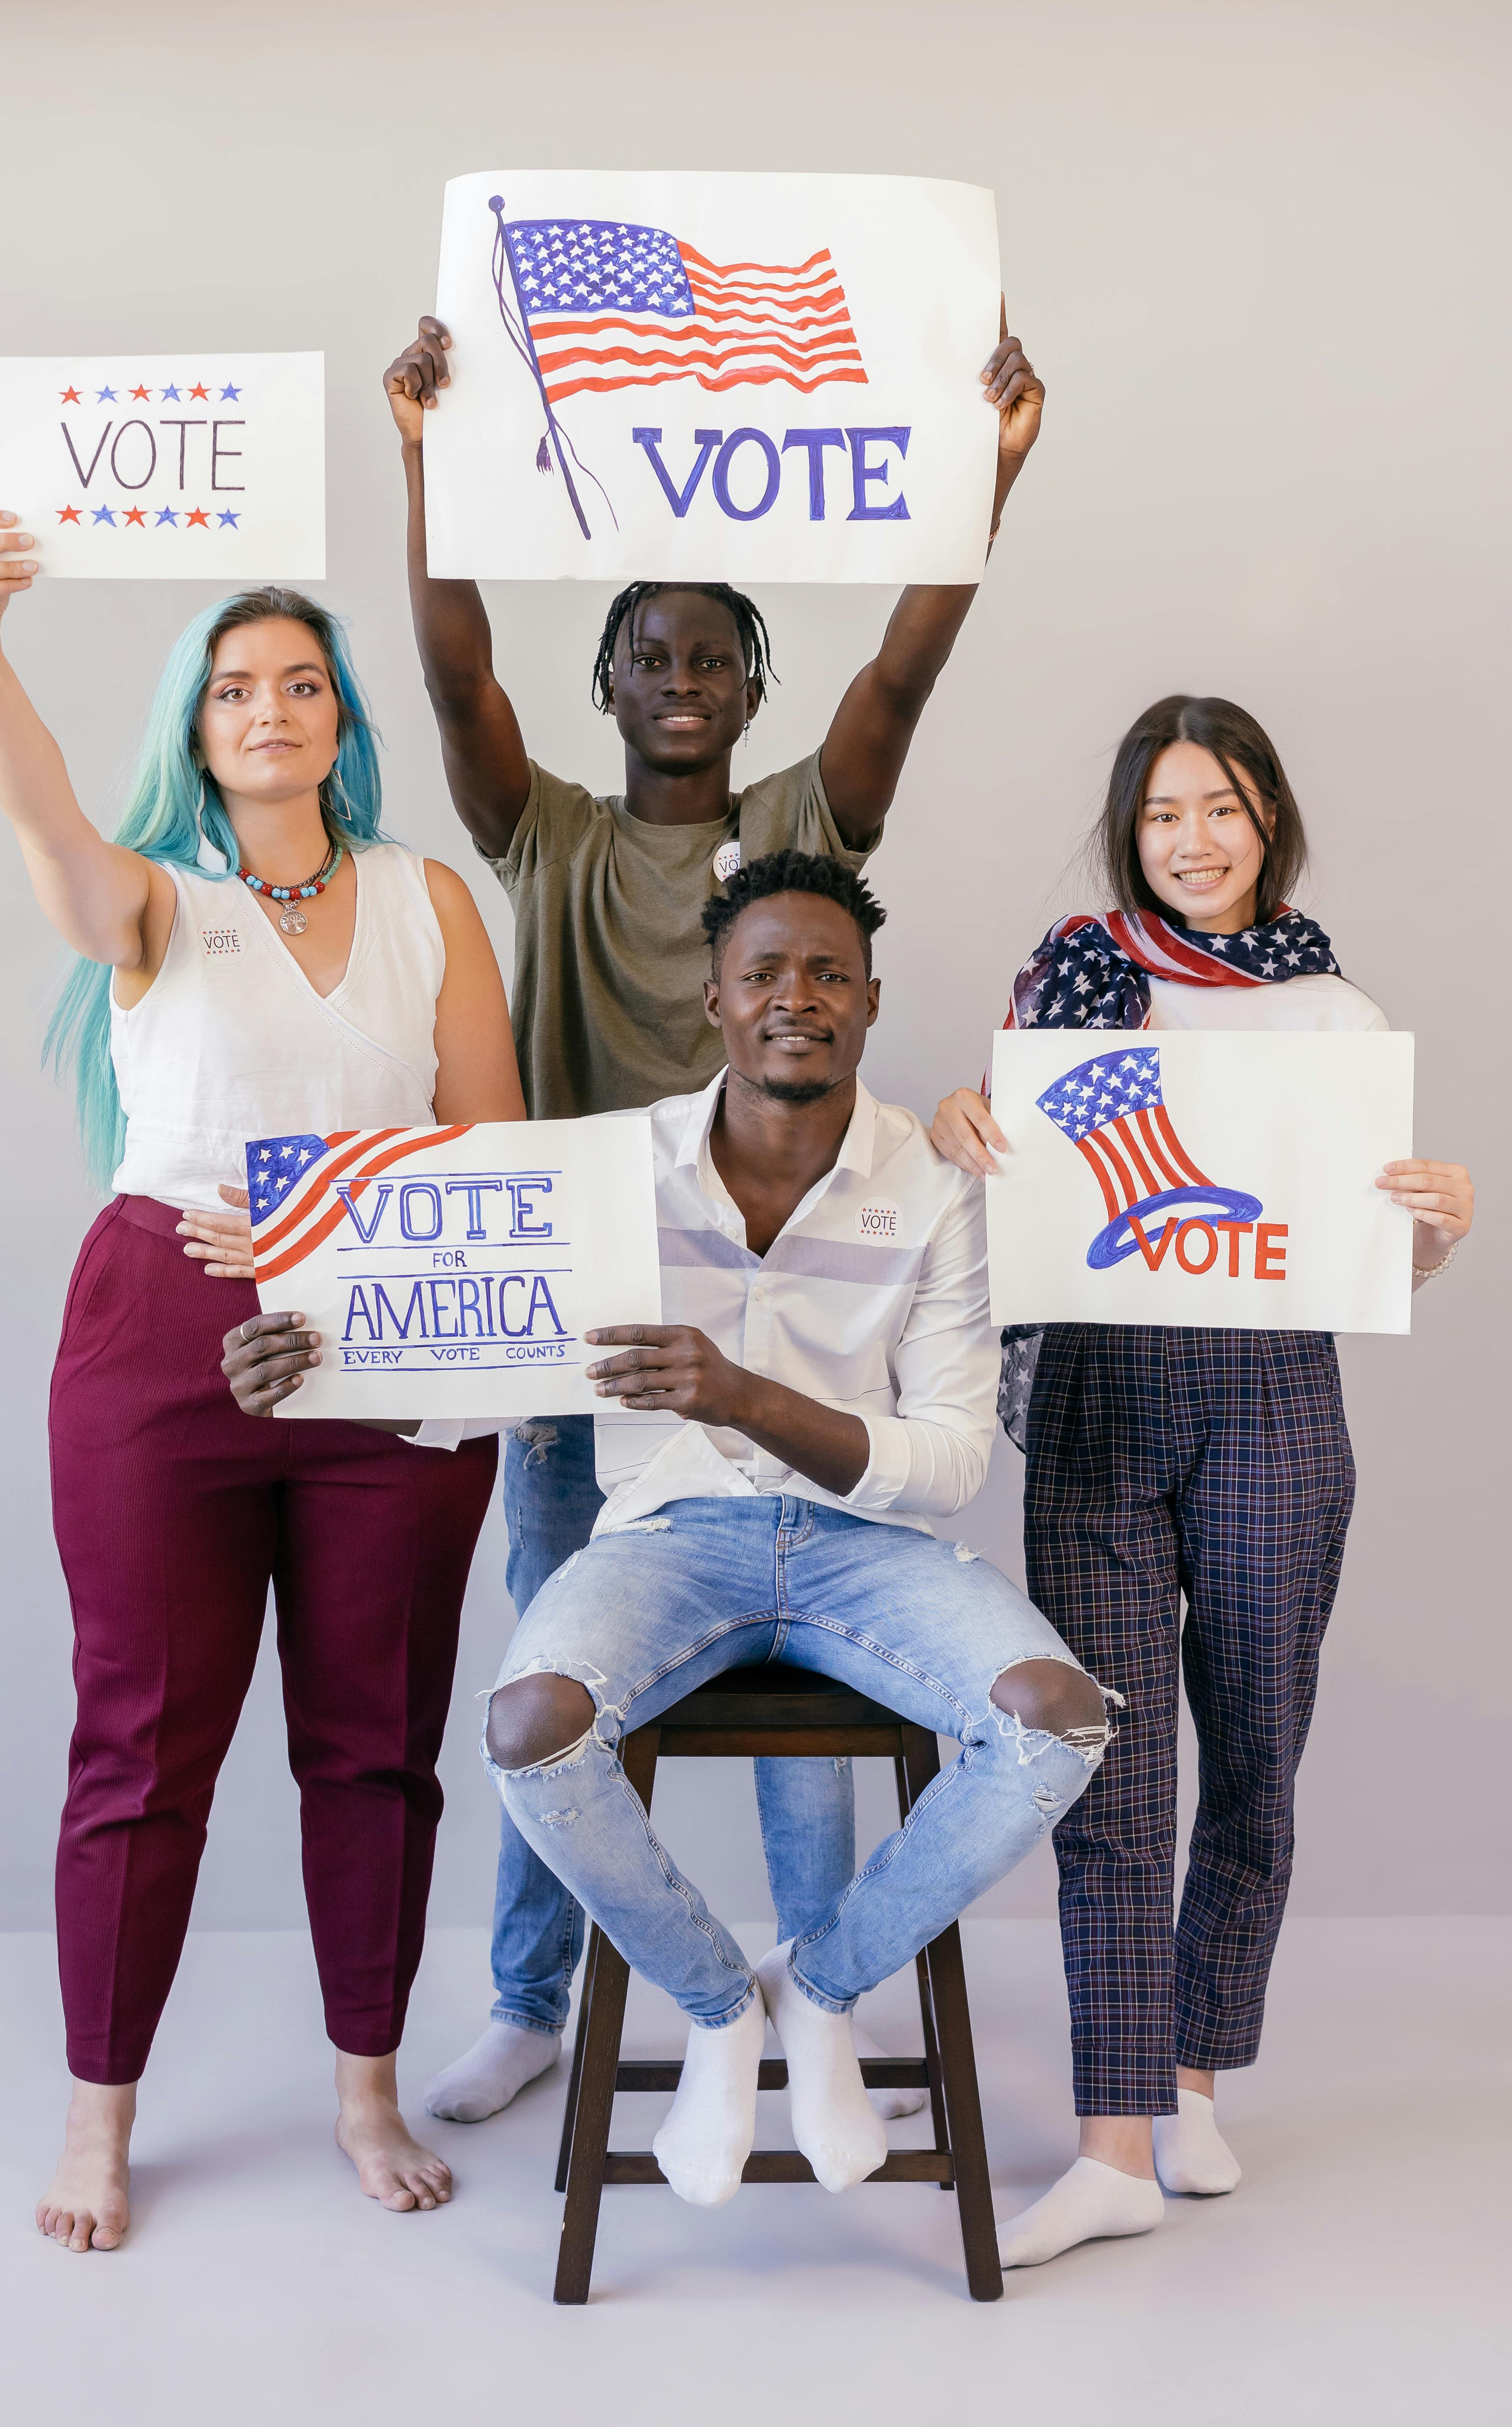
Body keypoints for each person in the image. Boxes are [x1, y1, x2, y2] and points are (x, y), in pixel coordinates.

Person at [380, 304, 1049, 2125]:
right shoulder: (557, 836)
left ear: (750, 689)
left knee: (802, 1600)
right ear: (613, 687)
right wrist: (429, 451)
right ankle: (532, 1996)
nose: (682, 676)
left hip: (786, 1287)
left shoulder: (786, 830)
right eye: (650, 656)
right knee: (558, 1636)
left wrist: (986, 471)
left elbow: (900, 688)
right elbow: (453, 682)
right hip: (585, 1314)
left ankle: (819, 1994)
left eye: (714, 657)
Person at [225, 852, 1113, 2206]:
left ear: (872, 1001)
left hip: (861, 1546)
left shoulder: (936, 1190)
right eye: (764, 972)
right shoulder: (610, 1174)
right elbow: (481, 1363)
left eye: (827, 973)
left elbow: (948, 1458)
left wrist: (747, 1395)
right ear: (714, 999)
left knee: (1060, 1715)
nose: (795, 997)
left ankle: (820, 1984)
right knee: (527, 1725)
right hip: (665, 1541)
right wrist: (321, 1362)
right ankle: (717, 2004)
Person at [0, 515, 524, 2253]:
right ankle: (99, 2120)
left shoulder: (430, 900)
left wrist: (347, 1248)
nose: (271, 708)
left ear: (345, 721)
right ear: (196, 727)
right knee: (143, 1742)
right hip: (163, 1336)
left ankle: (367, 2091)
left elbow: (488, 1142)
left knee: (376, 1747)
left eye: (304, 685)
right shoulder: (151, 898)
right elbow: (43, 820)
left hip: (392, 1340)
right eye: (236, 688)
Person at [929, 694, 1476, 2267]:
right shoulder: (1070, 986)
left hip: (1272, 1401)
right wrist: (970, 1119)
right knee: (1106, 1760)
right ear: (1132, 828)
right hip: (1104, 1391)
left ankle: (1190, 2076)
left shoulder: (1335, 1018)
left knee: (1255, 1751)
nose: (1195, 840)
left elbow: (1368, 1265)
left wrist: (1435, 1230)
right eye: (1167, 812)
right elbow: (1014, 1203)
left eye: (1223, 808)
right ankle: (1112, 2145)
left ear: (1270, 821)